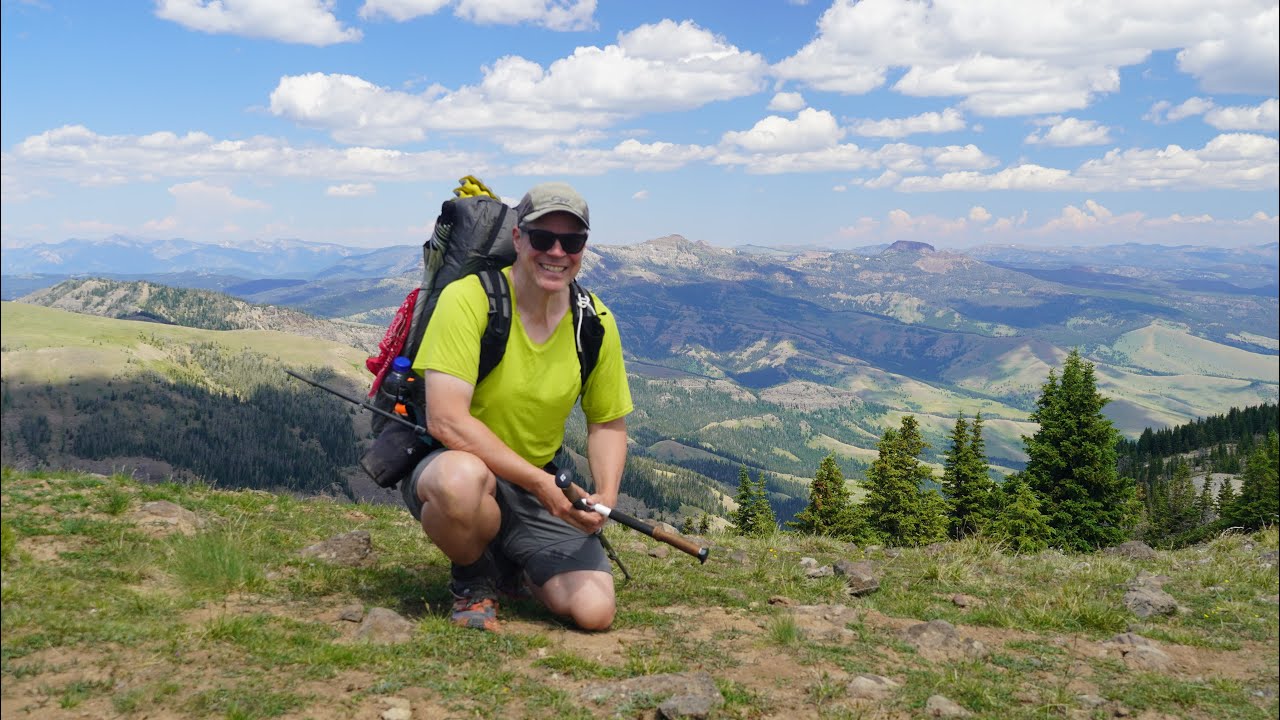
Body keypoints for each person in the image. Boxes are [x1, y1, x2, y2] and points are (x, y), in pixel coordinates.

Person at [401, 181, 633, 632]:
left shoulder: (595, 321)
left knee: (594, 612)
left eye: (573, 241)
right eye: (543, 238)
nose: (557, 251)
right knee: (460, 482)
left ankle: (511, 561)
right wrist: (544, 485)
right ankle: (473, 578)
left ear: (584, 247)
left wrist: (605, 496)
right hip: (458, 464)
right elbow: (447, 420)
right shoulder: (469, 299)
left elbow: (607, 421)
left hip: (536, 478)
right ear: (518, 239)